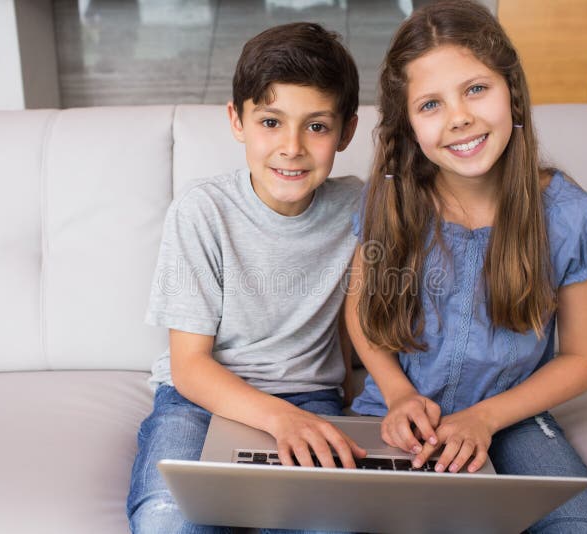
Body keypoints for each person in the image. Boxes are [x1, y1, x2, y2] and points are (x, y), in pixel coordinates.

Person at [343, 1, 587, 532]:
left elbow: (585, 357)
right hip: (396, 414)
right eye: (430, 104)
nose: (459, 118)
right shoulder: (389, 202)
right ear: (408, 124)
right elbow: (360, 305)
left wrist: (486, 418)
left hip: (513, 419)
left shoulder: (571, 216)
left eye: (475, 89)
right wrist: (399, 394)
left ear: (511, 91)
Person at [127, 22, 366, 534]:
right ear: (237, 120)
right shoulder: (202, 210)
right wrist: (280, 420)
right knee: (169, 521)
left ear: (347, 131)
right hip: (197, 402)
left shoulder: (359, 208)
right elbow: (190, 367)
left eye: (317, 127)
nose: (292, 147)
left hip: (309, 397)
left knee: (328, 525)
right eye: (271, 122)